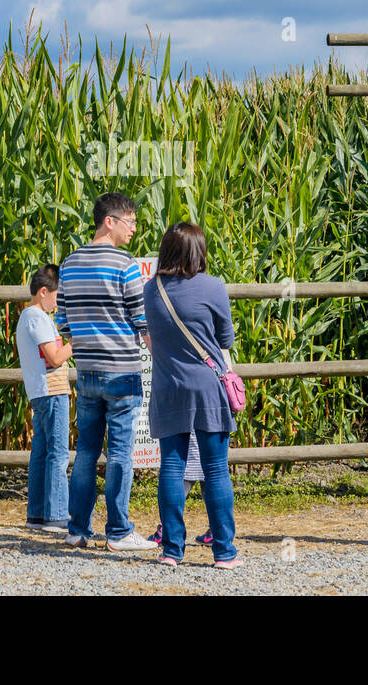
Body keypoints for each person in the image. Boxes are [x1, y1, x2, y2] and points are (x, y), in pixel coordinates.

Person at [58, 193, 156, 551]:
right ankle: (118, 531)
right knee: (119, 452)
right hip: (122, 371)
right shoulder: (126, 265)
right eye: (129, 222)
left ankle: (77, 529)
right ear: (109, 221)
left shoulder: (69, 263)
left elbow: (63, 322)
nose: (133, 229)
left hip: (86, 373)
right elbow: (142, 320)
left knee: (85, 452)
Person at [143, 221, 242, 568]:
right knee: (216, 469)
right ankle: (225, 553)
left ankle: (172, 551)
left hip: (168, 388)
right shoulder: (213, 287)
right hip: (207, 388)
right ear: (198, 252)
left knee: (171, 466)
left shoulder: (150, 289)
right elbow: (225, 340)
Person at [16, 264, 73, 532]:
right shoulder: (37, 317)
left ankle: (37, 514)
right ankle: (57, 515)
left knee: (41, 452)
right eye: (55, 295)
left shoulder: (29, 317)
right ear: (43, 292)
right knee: (58, 453)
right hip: (52, 391)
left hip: (41, 391)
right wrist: (77, 342)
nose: (57, 301)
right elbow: (54, 357)